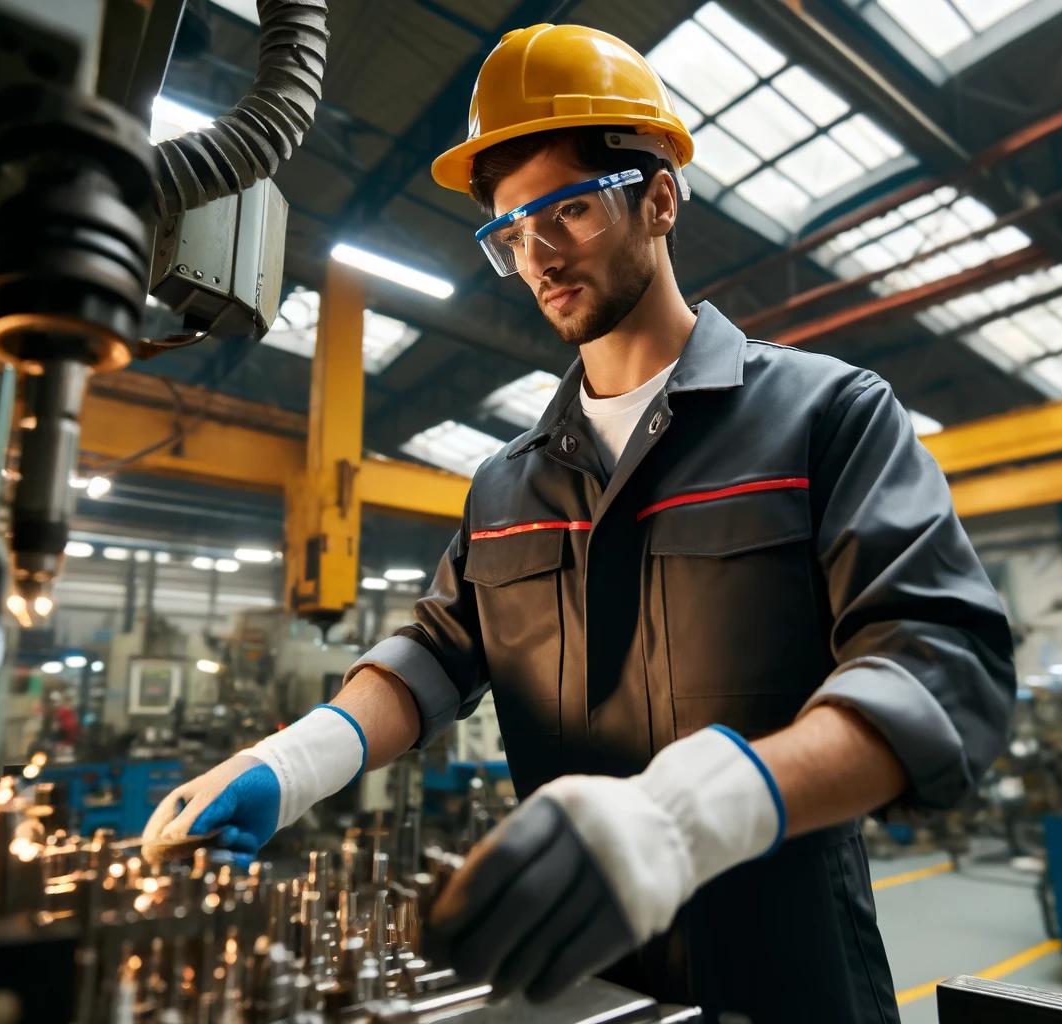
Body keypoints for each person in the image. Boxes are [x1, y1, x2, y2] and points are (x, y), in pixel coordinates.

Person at [143, 23, 1015, 1021]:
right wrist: (288, 761)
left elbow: (942, 666)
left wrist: (685, 820)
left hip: (787, 981)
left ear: (659, 198)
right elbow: (436, 650)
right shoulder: (507, 486)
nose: (538, 257)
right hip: (574, 987)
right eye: (509, 234)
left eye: (567, 212)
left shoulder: (825, 417)